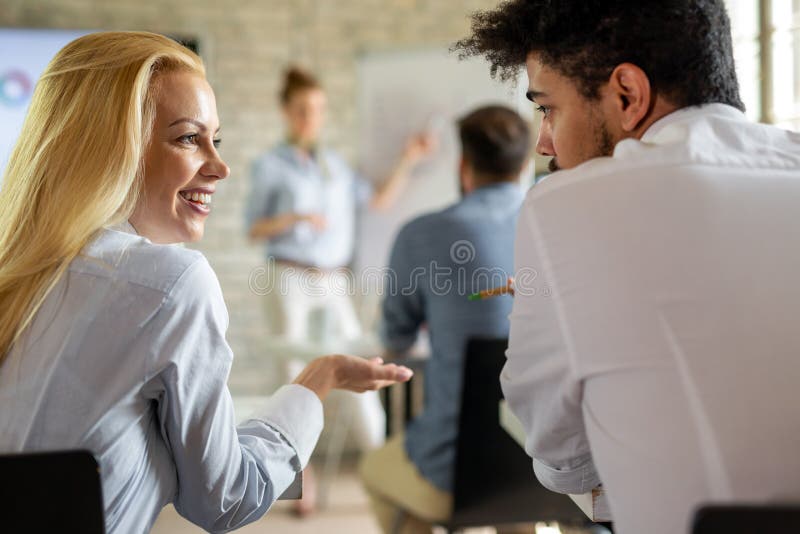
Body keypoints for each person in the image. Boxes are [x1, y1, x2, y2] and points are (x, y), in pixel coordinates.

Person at [0, 31, 412, 534]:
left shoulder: (23, 271)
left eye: (215, 140)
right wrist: (315, 381)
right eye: (188, 138)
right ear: (112, 147)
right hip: (289, 276)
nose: (220, 167)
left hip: (332, 281)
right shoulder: (173, 281)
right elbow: (224, 499)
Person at [455, 1, 800, 534]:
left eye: (548, 109)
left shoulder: (564, 206)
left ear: (627, 95)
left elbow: (559, 454)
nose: (543, 142)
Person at [359, 105, 530, 533]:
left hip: (455, 464)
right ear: (527, 165)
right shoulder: (559, 224)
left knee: (377, 473)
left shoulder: (422, 234)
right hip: (550, 463)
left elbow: (395, 339)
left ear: (463, 166)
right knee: (515, 490)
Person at [245, 66, 434, 344]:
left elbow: (379, 201)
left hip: (334, 279)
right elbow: (253, 230)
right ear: (285, 111)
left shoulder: (336, 165)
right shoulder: (270, 166)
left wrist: (409, 159)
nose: (311, 117)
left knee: (351, 358)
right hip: (288, 278)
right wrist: (295, 218)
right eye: (302, 109)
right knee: (293, 370)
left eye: (319, 109)